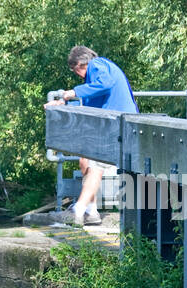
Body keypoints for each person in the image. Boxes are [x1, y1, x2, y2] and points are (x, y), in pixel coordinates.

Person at [51, 46, 138, 226]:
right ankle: (91, 212)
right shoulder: (93, 79)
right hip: (110, 124)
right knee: (84, 161)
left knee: (95, 165)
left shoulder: (97, 65)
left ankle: (78, 210)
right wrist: (62, 106)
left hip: (119, 125)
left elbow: (105, 84)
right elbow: (89, 109)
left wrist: (73, 92)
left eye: (76, 71)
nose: (78, 76)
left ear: (81, 64)